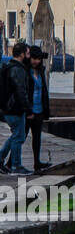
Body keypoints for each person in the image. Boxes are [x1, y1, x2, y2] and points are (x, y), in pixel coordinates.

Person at [0, 42, 32, 174]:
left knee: (16, 134)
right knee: (18, 136)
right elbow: (20, 91)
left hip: (8, 107)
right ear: (22, 54)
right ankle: (16, 166)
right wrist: (27, 109)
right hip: (14, 108)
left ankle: (1, 158)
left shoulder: (8, 66)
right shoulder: (17, 69)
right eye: (28, 53)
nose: (29, 56)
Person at [27, 46, 50, 171]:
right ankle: (10, 162)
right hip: (29, 110)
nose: (36, 61)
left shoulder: (41, 72)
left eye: (38, 59)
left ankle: (37, 162)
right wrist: (27, 109)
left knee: (37, 138)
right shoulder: (26, 71)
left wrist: (46, 109)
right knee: (20, 137)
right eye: (34, 58)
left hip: (39, 109)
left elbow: (44, 91)